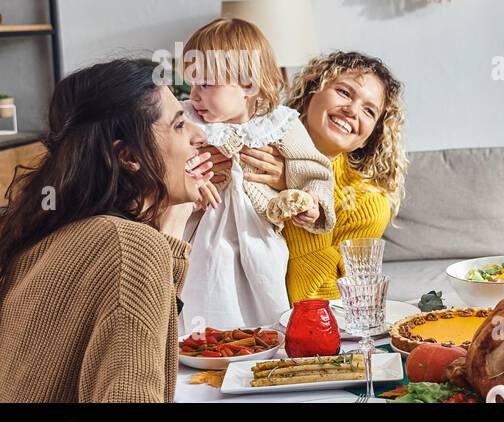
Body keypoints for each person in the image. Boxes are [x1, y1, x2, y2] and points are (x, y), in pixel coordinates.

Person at [0, 59, 214, 402]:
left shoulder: (46, 232)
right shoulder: (129, 246)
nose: (200, 136)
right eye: (178, 125)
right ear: (128, 156)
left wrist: (171, 225)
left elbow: (129, 329)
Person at [207, 51, 409, 302]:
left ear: (368, 137)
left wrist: (297, 190)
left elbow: (320, 301)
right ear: (311, 92)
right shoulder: (254, 137)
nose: (352, 110)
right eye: (344, 92)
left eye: (369, 111)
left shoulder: (367, 203)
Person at [180, 17, 335, 328]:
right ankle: (202, 349)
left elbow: (315, 171)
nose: (195, 95)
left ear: (247, 85)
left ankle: (264, 347)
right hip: (200, 233)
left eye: (207, 85)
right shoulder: (183, 120)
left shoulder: (278, 123)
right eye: (192, 83)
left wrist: (311, 202)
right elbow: (162, 166)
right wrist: (188, 183)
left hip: (258, 233)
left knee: (264, 293)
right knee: (205, 281)